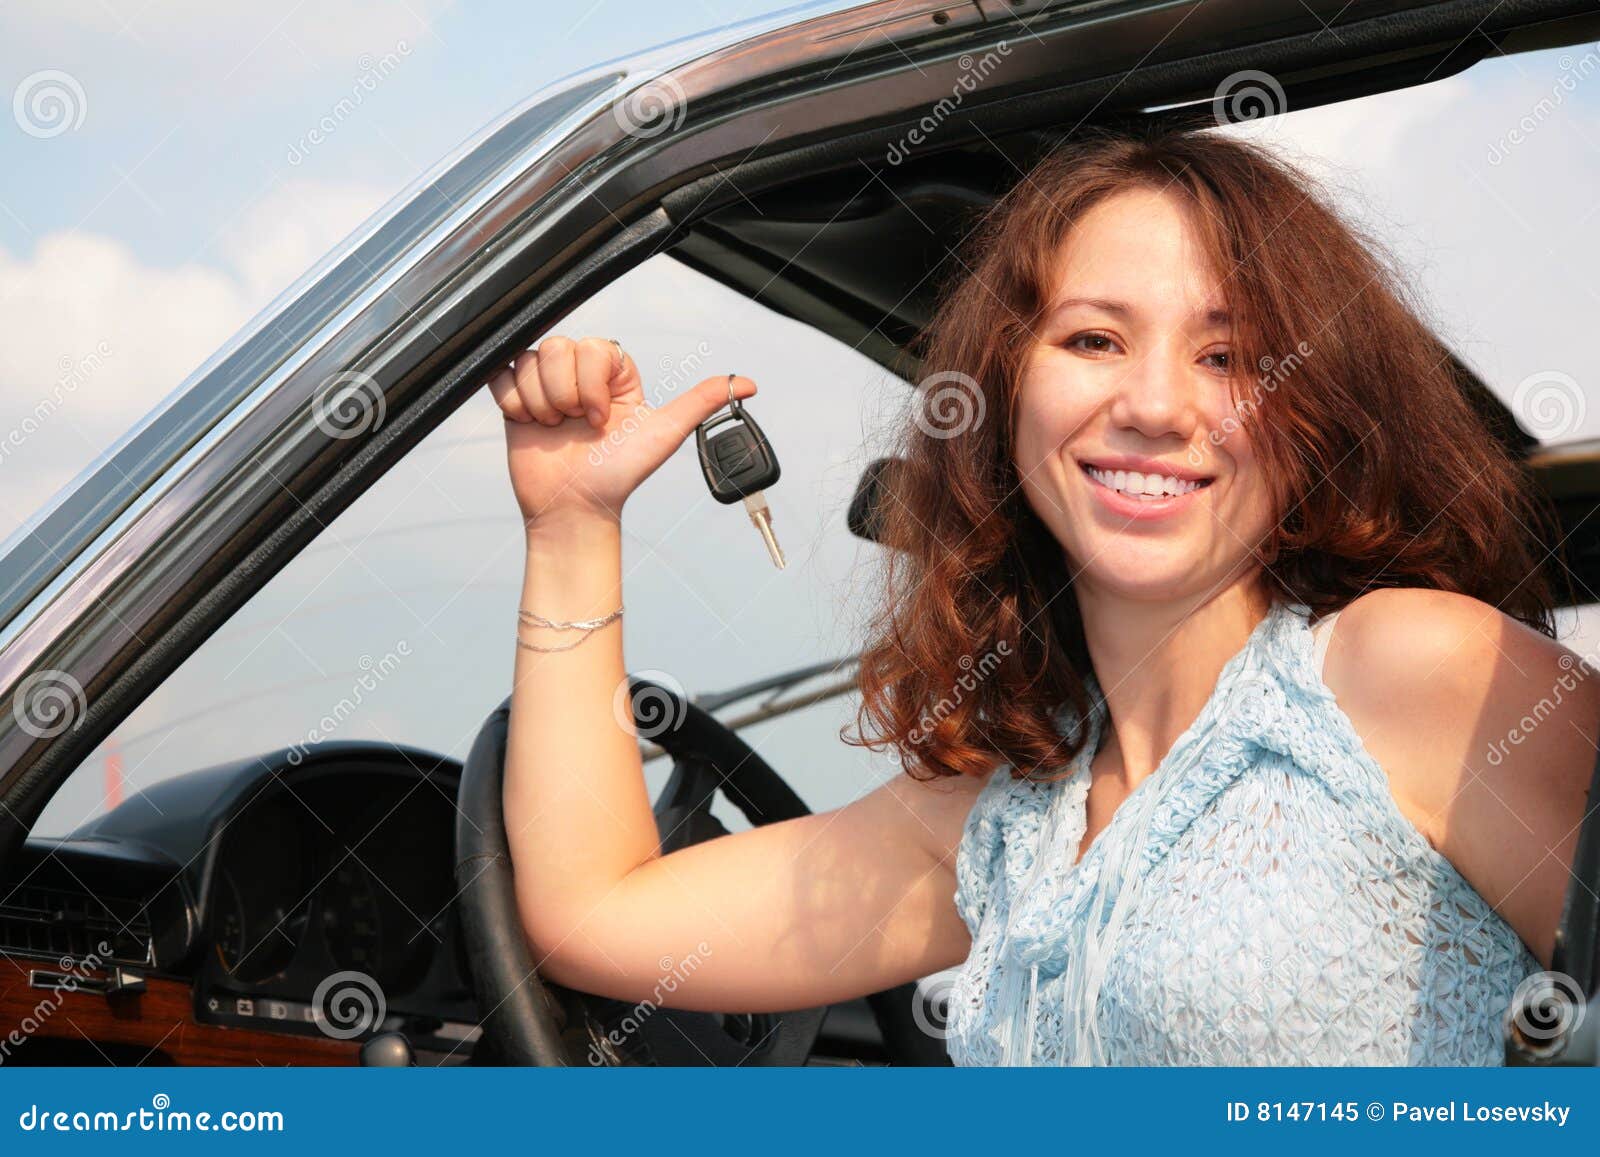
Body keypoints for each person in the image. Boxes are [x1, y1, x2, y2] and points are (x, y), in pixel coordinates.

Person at [483, 125, 1597, 1065]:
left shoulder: (1417, 668)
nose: (1154, 404)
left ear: (1312, 417)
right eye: (1094, 339)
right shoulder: (1000, 820)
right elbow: (596, 916)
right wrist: (573, 524)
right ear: (1008, 393)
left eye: (1228, 357)